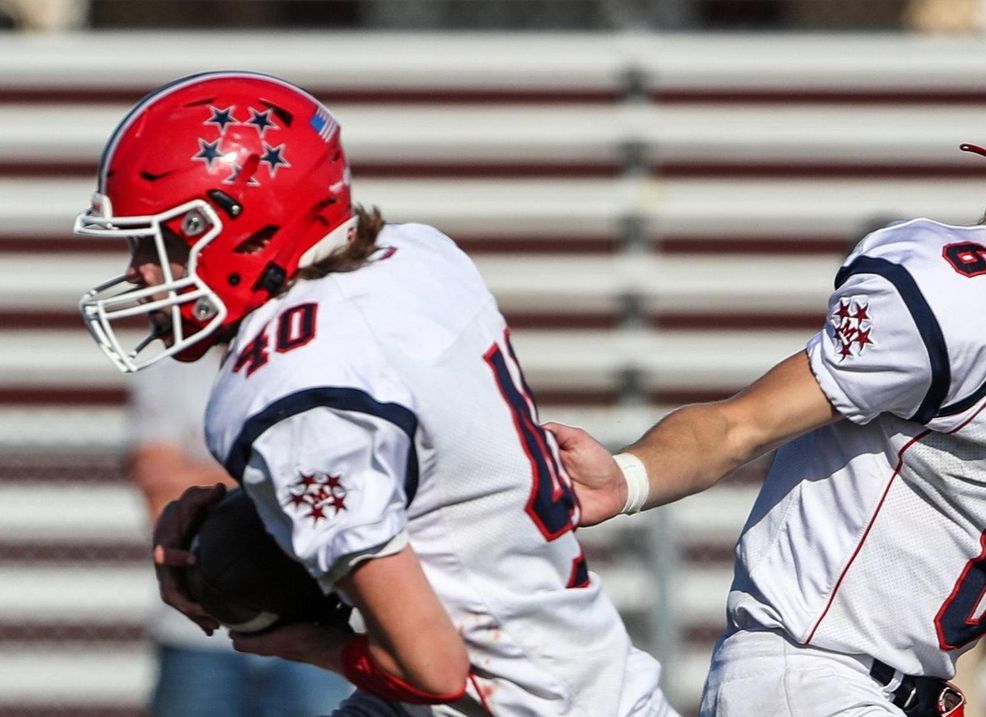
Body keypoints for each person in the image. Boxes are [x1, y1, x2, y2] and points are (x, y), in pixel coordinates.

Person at [547, 25, 986, 717]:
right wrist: (631, 474)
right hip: (807, 672)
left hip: (914, 690)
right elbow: (740, 424)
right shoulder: (958, 304)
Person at [77, 71, 674, 716]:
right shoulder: (415, 256)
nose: (140, 269)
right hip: (581, 668)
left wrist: (303, 641)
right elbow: (421, 483)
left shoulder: (288, 392)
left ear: (243, 226)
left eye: (161, 239)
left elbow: (432, 668)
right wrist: (253, 511)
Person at [127, 354, 353, 716]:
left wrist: (205, 484)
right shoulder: (172, 371)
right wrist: (278, 478)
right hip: (197, 635)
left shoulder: (314, 358)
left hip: (312, 625)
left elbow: (344, 478)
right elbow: (158, 485)